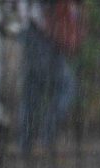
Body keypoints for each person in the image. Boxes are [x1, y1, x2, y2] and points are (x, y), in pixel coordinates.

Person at [19, 0, 80, 156]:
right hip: (41, 35)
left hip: (33, 31)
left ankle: (26, 144)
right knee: (66, 87)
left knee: (32, 91)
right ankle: (45, 137)